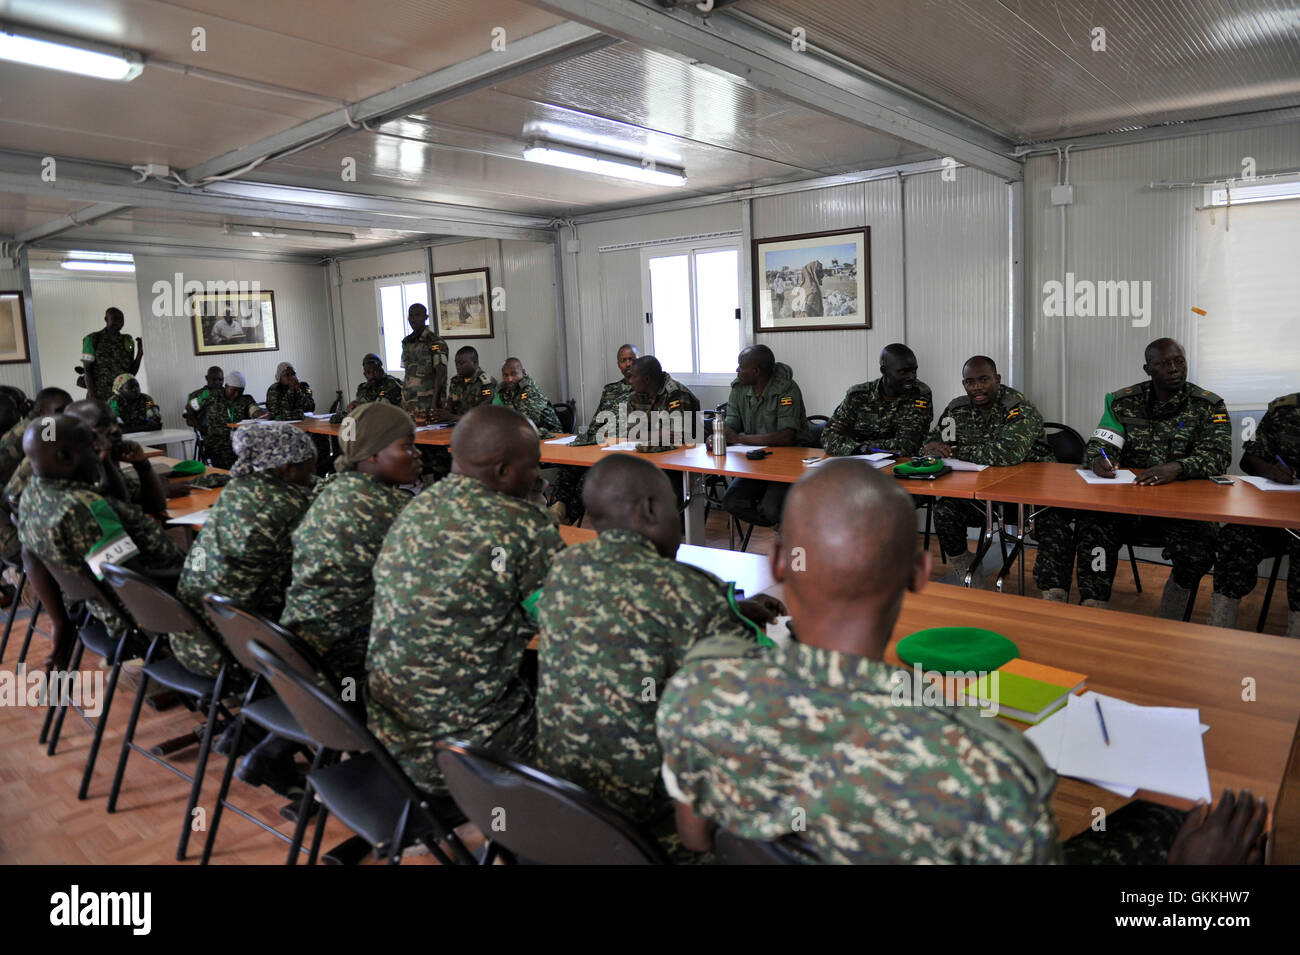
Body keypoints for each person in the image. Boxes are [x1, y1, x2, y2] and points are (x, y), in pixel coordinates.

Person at [655, 458, 1269, 865]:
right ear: (922, 573)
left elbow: (694, 837)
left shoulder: (700, 684)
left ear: (781, 561)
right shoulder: (994, 765)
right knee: (1176, 835)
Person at [536, 454, 779, 852]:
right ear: (651, 508)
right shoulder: (689, 592)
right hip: (645, 825)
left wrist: (726, 604)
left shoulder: (564, 566)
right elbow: (753, 706)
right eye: (673, 504)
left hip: (560, 804)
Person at [366, 405, 565, 795]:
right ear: (504, 471)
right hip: (469, 753)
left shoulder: (413, 508)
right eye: (534, 464)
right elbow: (567, 629)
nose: (538, 474)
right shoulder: (525, 527)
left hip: (387, 739)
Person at [1075, 338, 1230, 615]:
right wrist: (1099, 460)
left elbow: (1219, 455)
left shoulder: (1208, 405)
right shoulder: (1123, 402)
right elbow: (1100, 444)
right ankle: (1093, 603)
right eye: (1164, 364)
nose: (1173, 369)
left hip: (1181, 508)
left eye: (1179, 361)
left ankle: (1175, 598)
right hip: (1127, 503)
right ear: (1148, 369)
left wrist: (1177, 467)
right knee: (1092, 528)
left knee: (1200, 548)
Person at [17, 414, 183, 668]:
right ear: (64, 457)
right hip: (147, 615)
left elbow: (29, 554)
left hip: (105, 609)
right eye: (90, 446)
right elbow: (132, 581)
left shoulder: (34, 494)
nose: (99, 450)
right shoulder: (85, 509)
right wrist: (194, 571)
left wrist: (59, 621)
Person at [282, 403, 421, 682]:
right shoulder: (389, 508)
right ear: (371, 454)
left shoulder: (333, 490)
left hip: (298, 655)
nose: (417, 454)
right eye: (407, 446)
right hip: (345, 662)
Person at [921, 356, 1074, 597]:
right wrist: (931, 447)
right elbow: (934, 438)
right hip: (985, 497)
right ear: (964, 384)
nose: (977, 387)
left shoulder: (1017, 407)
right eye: (970, 382)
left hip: (1032, 495)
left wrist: (957, 451)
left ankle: (1053, 594)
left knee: (1056, 526)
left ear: (997, 379)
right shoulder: (957, 408)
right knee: (945, 511)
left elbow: (1007, 454)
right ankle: (965, 566)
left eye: (983, 380)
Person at [173, 423, 317, 679]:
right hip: (234, 655)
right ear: (285, 468)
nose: (314, 474)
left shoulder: (237, 488)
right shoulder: (290, 503)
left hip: (189, 640)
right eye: (309, 467)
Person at [1210, 390, 1299, 637]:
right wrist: (1271, 470)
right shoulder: (1286, 410)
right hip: (1280, 517)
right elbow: (1249, 460)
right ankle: (1218, 631)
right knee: (1235, 537)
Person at [719, 344, 811, 528]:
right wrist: (720, 434)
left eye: (740, 366)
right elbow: (732, 423)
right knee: (731, 502)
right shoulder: (739, 388)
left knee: (770, 509)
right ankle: (783, 525)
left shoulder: (786, 389)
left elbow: (786, 437)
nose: (737, 370)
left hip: (789, 463)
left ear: (756, 371)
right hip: (754, 462)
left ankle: (790, 527)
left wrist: (740, 439)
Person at [548, 344, 638, 524]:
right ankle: (557, 508)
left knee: (588, 478)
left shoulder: (647, 389)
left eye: (632, 360)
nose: (628, 364)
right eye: (623, 360)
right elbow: (596, 424)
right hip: (603, 447)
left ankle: (564, 521)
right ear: (618, 364)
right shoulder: (611, 390)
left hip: (628, 452)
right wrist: (581, 442)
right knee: (569, 468)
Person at [823, 343, 933, 457]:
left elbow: (907, 446)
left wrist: (855, 441)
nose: (912, 377)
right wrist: (861, 448)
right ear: (884, 371)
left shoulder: (920, 395)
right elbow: (828, 437)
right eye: (903, 372)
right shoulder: (858, 396)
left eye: (914, 371)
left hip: (900, 466)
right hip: (858, 465)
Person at [626, 355, 701, 453]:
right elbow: (631, 433)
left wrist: (645, 437)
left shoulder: (676, 394)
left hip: (683, 454)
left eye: (633, 376)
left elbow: (677, 437)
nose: (630, 381)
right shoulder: (635, 394)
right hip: (649, 455)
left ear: (647, 379)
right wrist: (658, 434)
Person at [197, 370, 263, 469]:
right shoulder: (211, 397)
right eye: (233, 390)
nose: (236, 394)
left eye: (240, 391)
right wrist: (199, 427)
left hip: (241, 441)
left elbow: (255, 411)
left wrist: (263, 415)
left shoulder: (246, 399)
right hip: (218, 442)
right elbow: (190, 409)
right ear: (226, 386)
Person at [79, 307, 142, 403]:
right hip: (100, 397)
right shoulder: (92, 339)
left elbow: (130, 374)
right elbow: (87, 370)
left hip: (123, 397)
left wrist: (140, 354)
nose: (118, 322)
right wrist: (92, 396)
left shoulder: (127, 340)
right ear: (106, 319)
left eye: (121, 319)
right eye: (115, 318)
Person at [399, 303, 448, 421]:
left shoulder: (435, 342)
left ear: (426, 317)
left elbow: (441, 375)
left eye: (417, 315)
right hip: (409, 405)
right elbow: (408, 374)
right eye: (410, 316)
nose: (413, 319)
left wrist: (434, 404)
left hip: (427, 404)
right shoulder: (407, 342)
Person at [496, 358, 561, 435]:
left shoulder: (529, 389)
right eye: (505, 375)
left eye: (513, 374)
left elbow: (527, 421)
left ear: (523, 372)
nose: (509, 379)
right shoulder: (504, 389)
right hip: (526, 434)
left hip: (550, 434)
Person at [331, 353, 402, 423]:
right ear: (365, 375)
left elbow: (380, 409)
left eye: (375, 371)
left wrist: (360, 406)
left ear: (381, 371)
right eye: (368, 372)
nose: (372, 375)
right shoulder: (363, 388)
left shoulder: (391, 384)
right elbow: (356, 411)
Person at [436, 346, 497, 422]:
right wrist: (441, 414)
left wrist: (452, 417)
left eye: (462, 363)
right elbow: (450, 407)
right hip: (456, 425)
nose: (458, 367)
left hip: (479, 427)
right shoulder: (455, 381)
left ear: (475, 363)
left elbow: (483, 415)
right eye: (456, 363)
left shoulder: (486, 383)